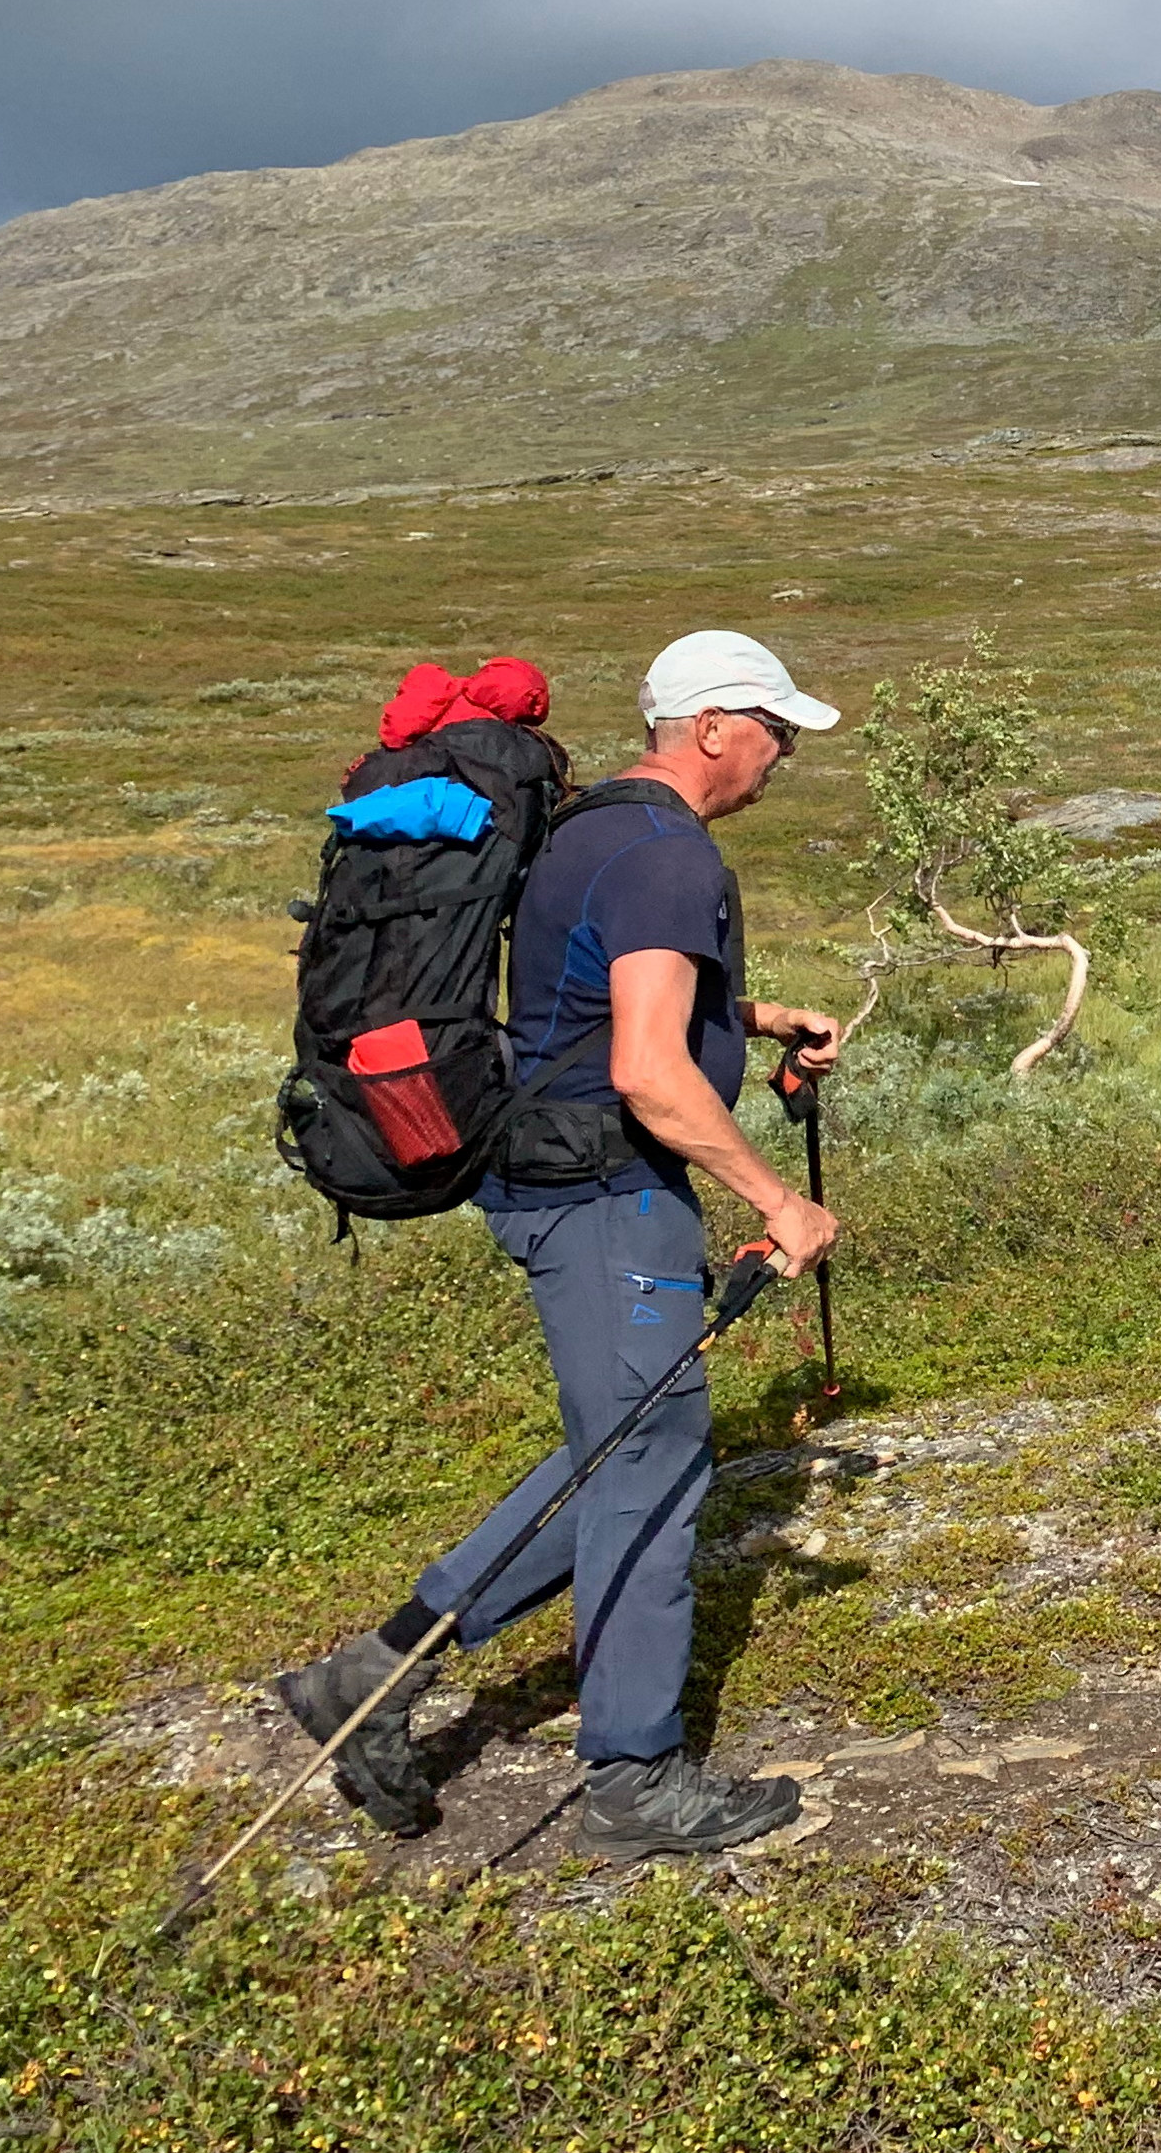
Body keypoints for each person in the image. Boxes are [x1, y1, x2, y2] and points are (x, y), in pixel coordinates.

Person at [275, 631, 851, 1859]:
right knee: (650, 1462)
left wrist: (750, 1014)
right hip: (603, 1195)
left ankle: (369, 1677)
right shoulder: (663, 857)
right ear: (709, 727)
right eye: (773, 727)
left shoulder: (591, 832)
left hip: (560, 1180)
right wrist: (774, 1199)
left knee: (625, 1441)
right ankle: (633, 1779)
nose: (783, 752)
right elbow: (645, 1069)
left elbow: (583, 1004)